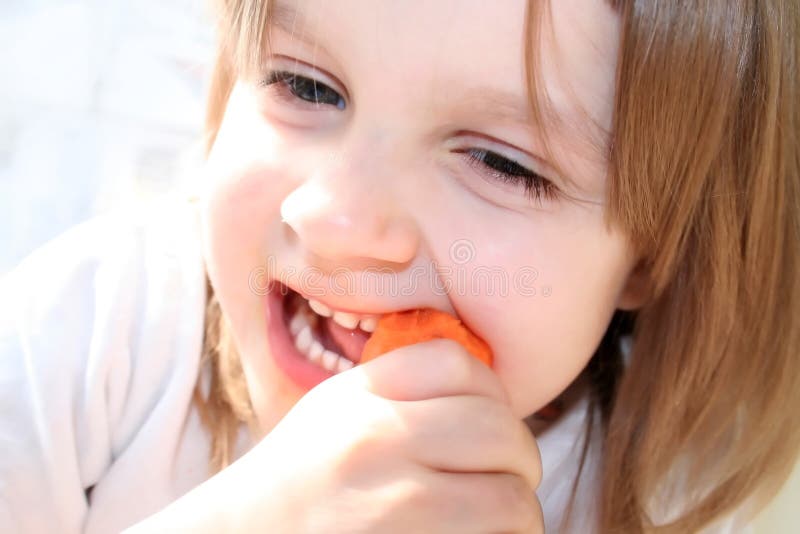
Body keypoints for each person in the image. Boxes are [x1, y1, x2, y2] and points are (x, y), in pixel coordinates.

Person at [1, 0, 797, 532]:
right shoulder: (91, 332)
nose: (336, 218)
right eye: (303, 84)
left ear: (648, 261)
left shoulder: (645, 499)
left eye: (501, 163)